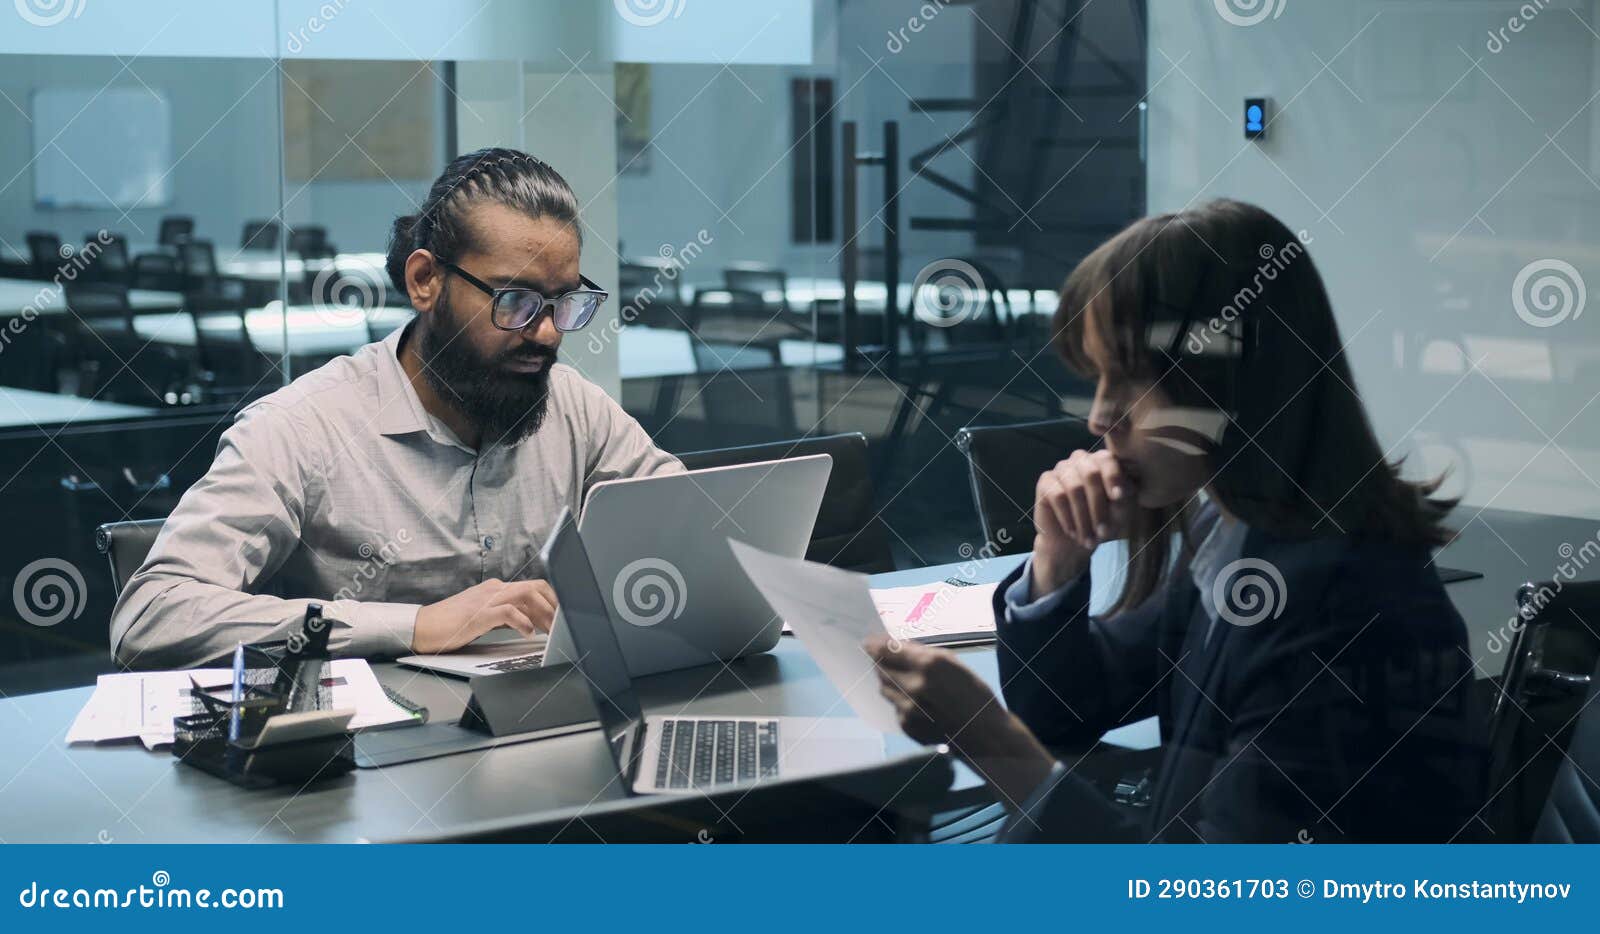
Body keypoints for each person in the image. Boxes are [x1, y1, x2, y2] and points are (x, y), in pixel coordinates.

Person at [867, 199, 1484, 842]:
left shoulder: (1330, 607)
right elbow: (1068, 711)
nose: (1099, 418)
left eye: (1129, 379)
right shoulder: (1237, 532)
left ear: (1226, 381)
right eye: (1097, 378)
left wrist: (985, 738)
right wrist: (1056, 560)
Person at [112, 148, 681, 669]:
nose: (549, 333)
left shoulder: (575, 409)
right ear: (425, 280)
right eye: (516, 302)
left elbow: (697, 530)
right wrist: (415, 625)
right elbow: (151, 616)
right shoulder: (302, 428)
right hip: (365, 762)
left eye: (564, 303)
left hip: (541, 736)